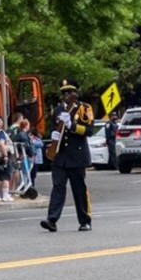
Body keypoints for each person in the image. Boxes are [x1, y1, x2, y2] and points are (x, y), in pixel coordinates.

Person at [41, 80, 95, 232]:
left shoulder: (84, 108)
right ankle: (52, 220)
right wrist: (54, 134)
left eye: (70, 92)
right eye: (64, 92)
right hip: (60, 156)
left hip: (77, 155)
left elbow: (89, 130)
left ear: (75, 93)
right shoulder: (57, 110)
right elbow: (55, 128)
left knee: (79, 189)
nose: (67, 95)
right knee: (58, 187)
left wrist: (72, 126)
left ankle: (85, 220)